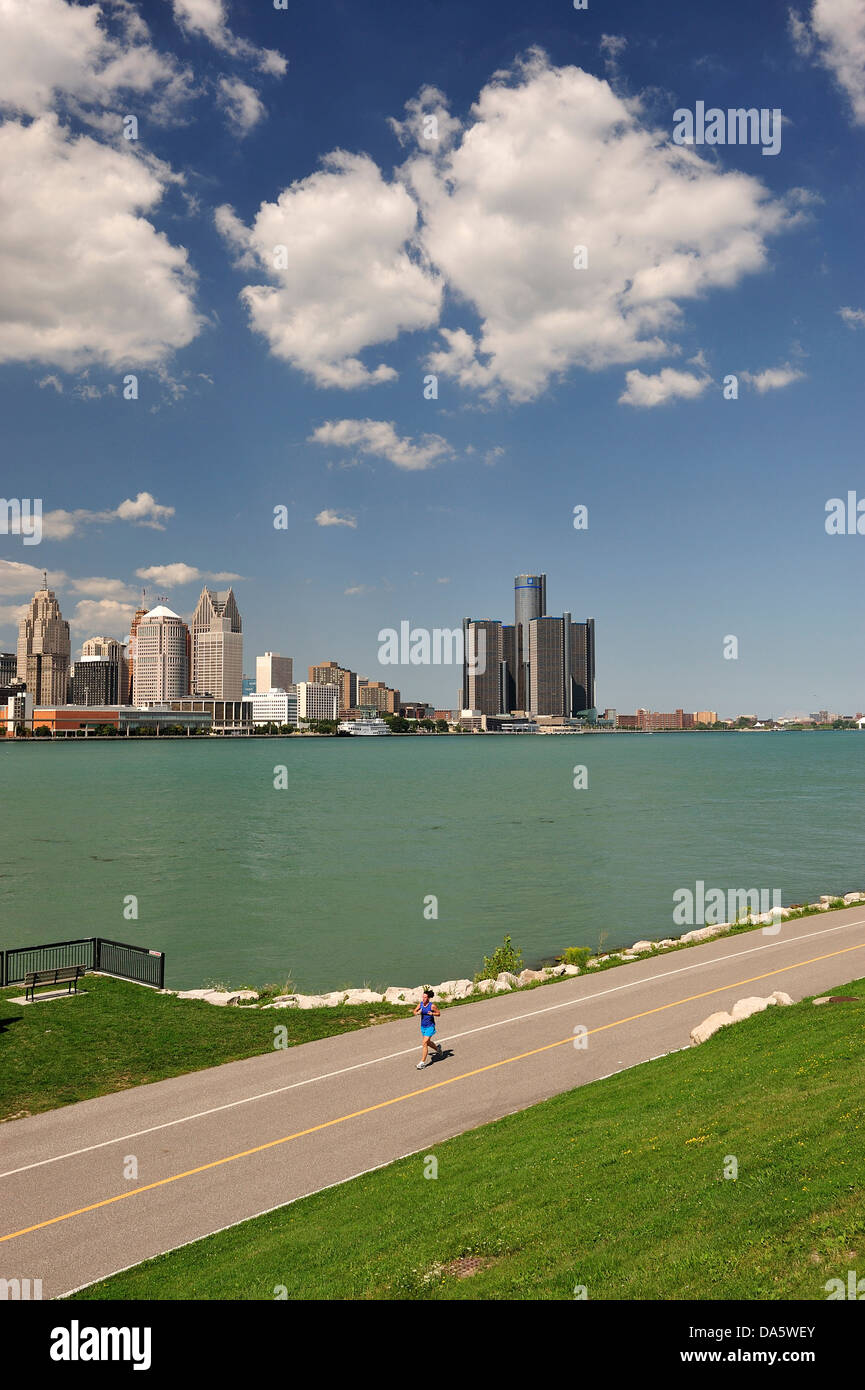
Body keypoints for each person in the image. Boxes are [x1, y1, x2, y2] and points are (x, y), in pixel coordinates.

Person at [414, 988, 442, 1068]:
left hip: (430, 1026)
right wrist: (417, 1013)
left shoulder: (432, 1006)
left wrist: (432, 1014)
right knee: (428, 1042)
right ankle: (438, 1049)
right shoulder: (421, 1004)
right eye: (423, 997)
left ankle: (422, 1062)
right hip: (423, 1026)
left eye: (425, 997)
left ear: (428, 998)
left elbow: (439, 1013)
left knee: (424, 1043)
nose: (423, 999)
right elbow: (414, 1011)